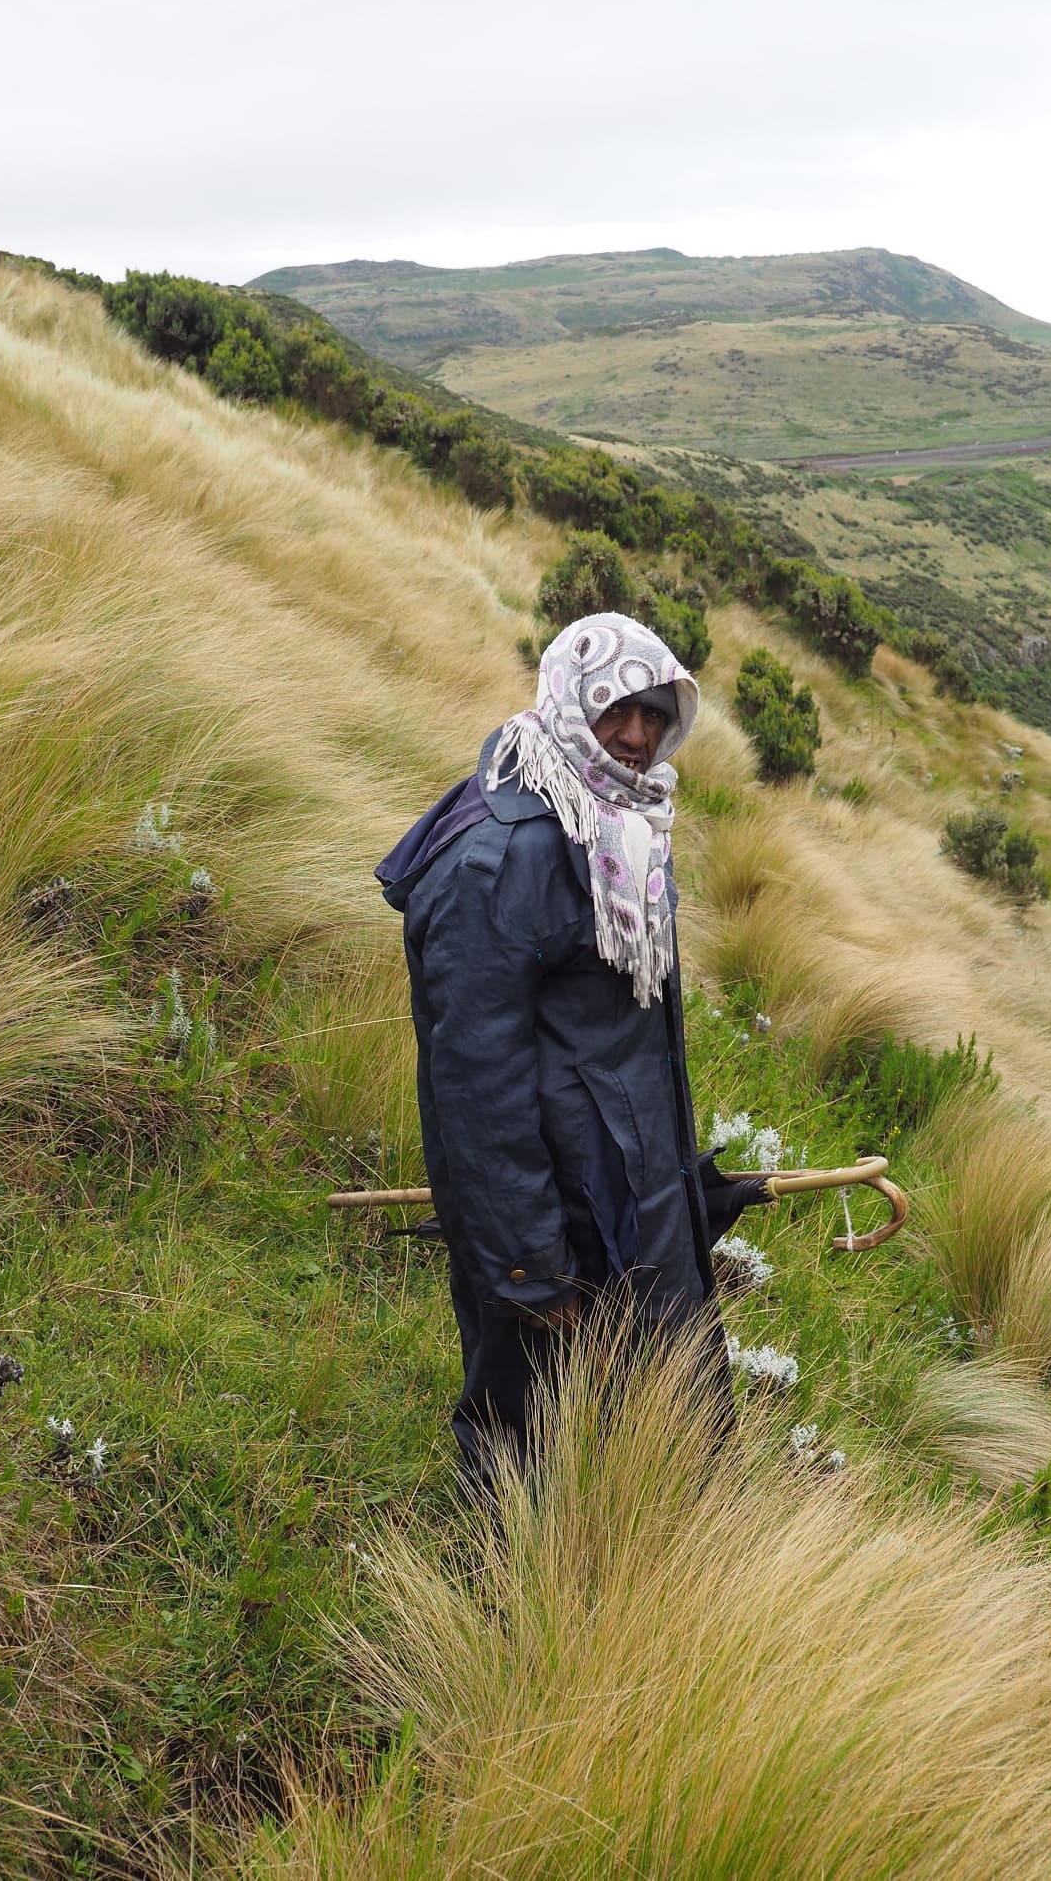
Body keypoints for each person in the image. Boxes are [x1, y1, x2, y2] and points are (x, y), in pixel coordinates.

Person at [375, 611, 727, 1490]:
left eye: (654, 713)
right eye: (617, 711)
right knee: (526, 1440)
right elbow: (477, 1091)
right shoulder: (500, 858)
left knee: (660, 1421)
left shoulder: (614, 825)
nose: (638, 736)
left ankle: (666, 1581)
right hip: (555, 1221)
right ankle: (509, 1608)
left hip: (622, 1198)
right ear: (571, 700)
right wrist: (531, 1266)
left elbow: (607, 1044)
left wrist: (688, 1192)